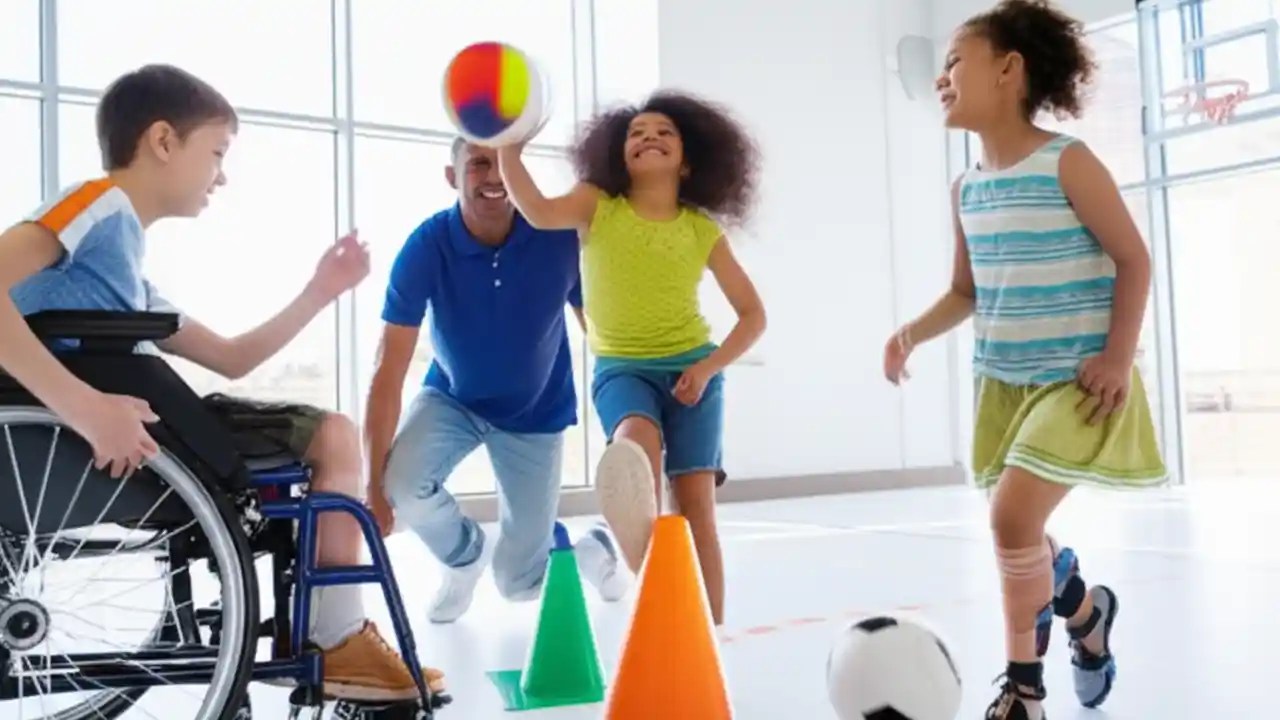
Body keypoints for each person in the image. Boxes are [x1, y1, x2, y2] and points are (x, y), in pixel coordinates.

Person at [0, 63, 441, 703]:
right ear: (162, 141)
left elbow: (233, 357)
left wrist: (320, 292)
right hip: (85, 436)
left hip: (117, 435)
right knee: (336, 437)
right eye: (217, 151)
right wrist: (87, 408)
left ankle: (329, 635)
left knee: (328, 436)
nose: (222, 175)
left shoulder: (124, 279)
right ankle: (337, 638)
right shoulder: (96, 206)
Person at [883, 2, 1167, 718]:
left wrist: (1114, 356)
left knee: (1010, 523)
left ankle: (1023, 690)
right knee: (1027, 536)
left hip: (1076, 382)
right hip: (1004, 387)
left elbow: (1134, 259)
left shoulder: (1067, 161)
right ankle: (1085, 616)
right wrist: (912, 332)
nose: (941, 76)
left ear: (1009, 70)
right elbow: (963, 291)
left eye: (954, 60)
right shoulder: (966, 189)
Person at [497, 92, 767, 626]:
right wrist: (509, 152)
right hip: (622, 368)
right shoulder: (598, 205)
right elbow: (538, 210)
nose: (649, 137)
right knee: (634, 452)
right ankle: (657, 582)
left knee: (696, 517)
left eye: (664, 132)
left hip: (694, 370)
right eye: (637, 132)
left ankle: (708, 640)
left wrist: (707, 369)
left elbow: (752, 315)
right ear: (620, 156)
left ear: (687, 162)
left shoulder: (701, 230)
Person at [364, 137, 628, 624]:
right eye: (478, 164)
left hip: (536, 415)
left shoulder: (558, 239)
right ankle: (464, 559)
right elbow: (388, 371)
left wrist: (633, 410)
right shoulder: (427, 246)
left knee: (518, 584)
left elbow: (605, 334)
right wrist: (373, 491)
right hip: (453, 399)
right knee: (401, 484)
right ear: (452, 176)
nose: (493, 176)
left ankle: (593, 551)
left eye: (503, 163)